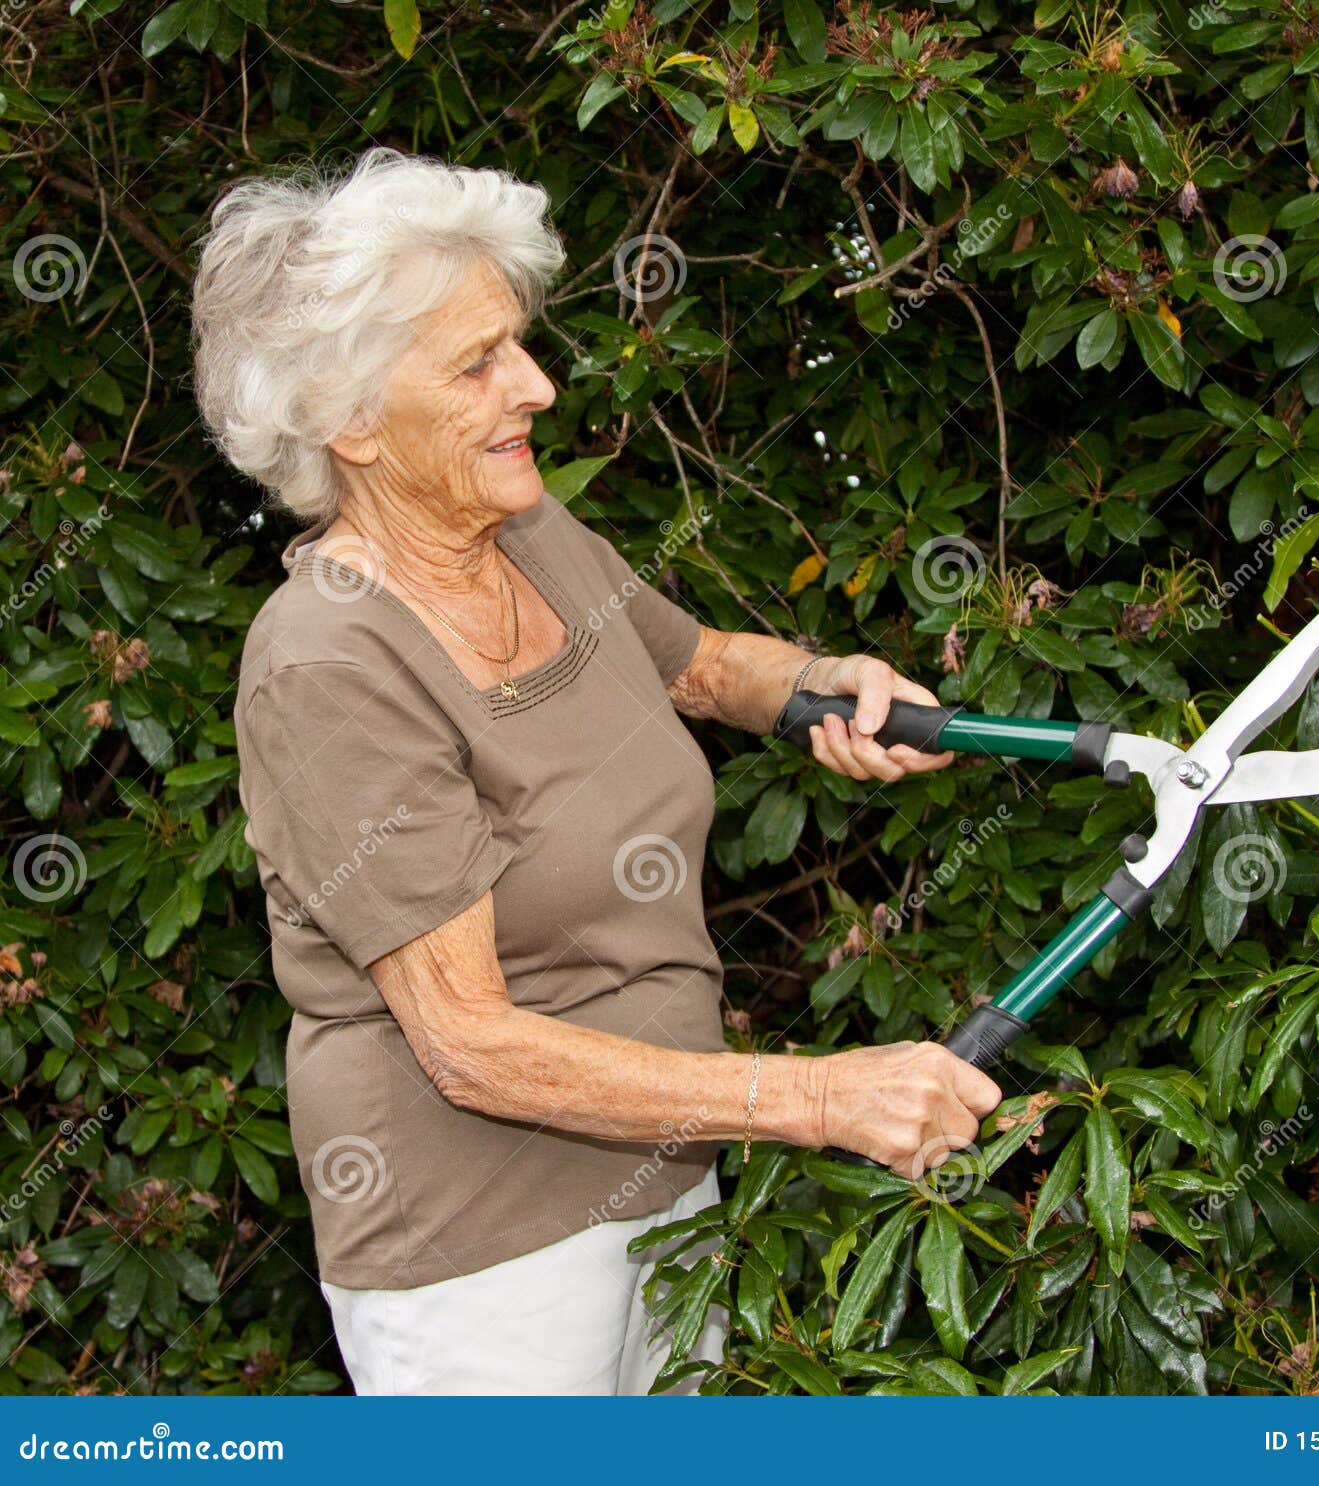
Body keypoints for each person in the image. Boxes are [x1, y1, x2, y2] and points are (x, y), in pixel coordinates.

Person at [191, 146, 1001, 1396]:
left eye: (516, 342)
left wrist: (819, 686)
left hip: (667, 1185)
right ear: (349, 419)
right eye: (477, 363)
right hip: (478, 1259)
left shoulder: (518, 526)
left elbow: (689, 661)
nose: (541, 387)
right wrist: (821, 1099)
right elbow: (470, 1045)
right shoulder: (326, 665)